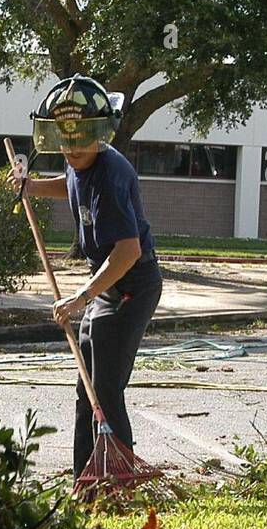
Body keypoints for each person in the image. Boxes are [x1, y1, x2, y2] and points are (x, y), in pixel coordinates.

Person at [10, 75, 163, 478]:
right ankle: (86, 478)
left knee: (106, 390)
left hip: (131, 285)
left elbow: (128, 250)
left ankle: (119, 479)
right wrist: (31, 188)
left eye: (81, 139)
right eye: (64, 139)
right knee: (86, 388)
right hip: (105, 287)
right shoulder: (79, 158)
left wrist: (79, 297)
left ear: (100, 132)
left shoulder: (111, 174)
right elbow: (72, 184)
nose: (72, 148)